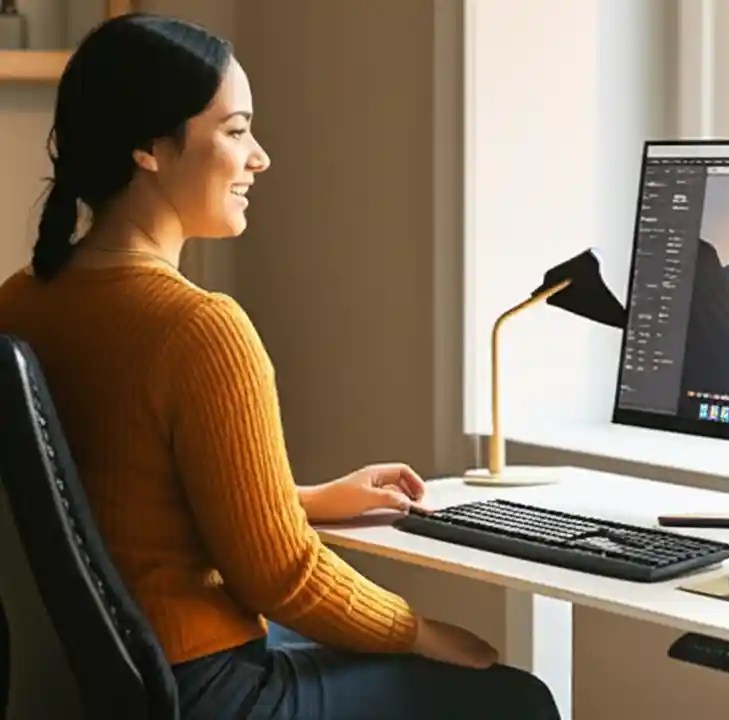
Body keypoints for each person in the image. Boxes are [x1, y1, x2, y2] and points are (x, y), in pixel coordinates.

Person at [0, 13, 558, 720]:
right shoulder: (200, 329)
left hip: (97, 685)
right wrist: (418, 632)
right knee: (516, 699)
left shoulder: (20, 301)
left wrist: (306, 497)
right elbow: (283, 578)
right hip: (203, 690)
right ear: (149, 148)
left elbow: (107, 503)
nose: (260, 157)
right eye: (236, 131)